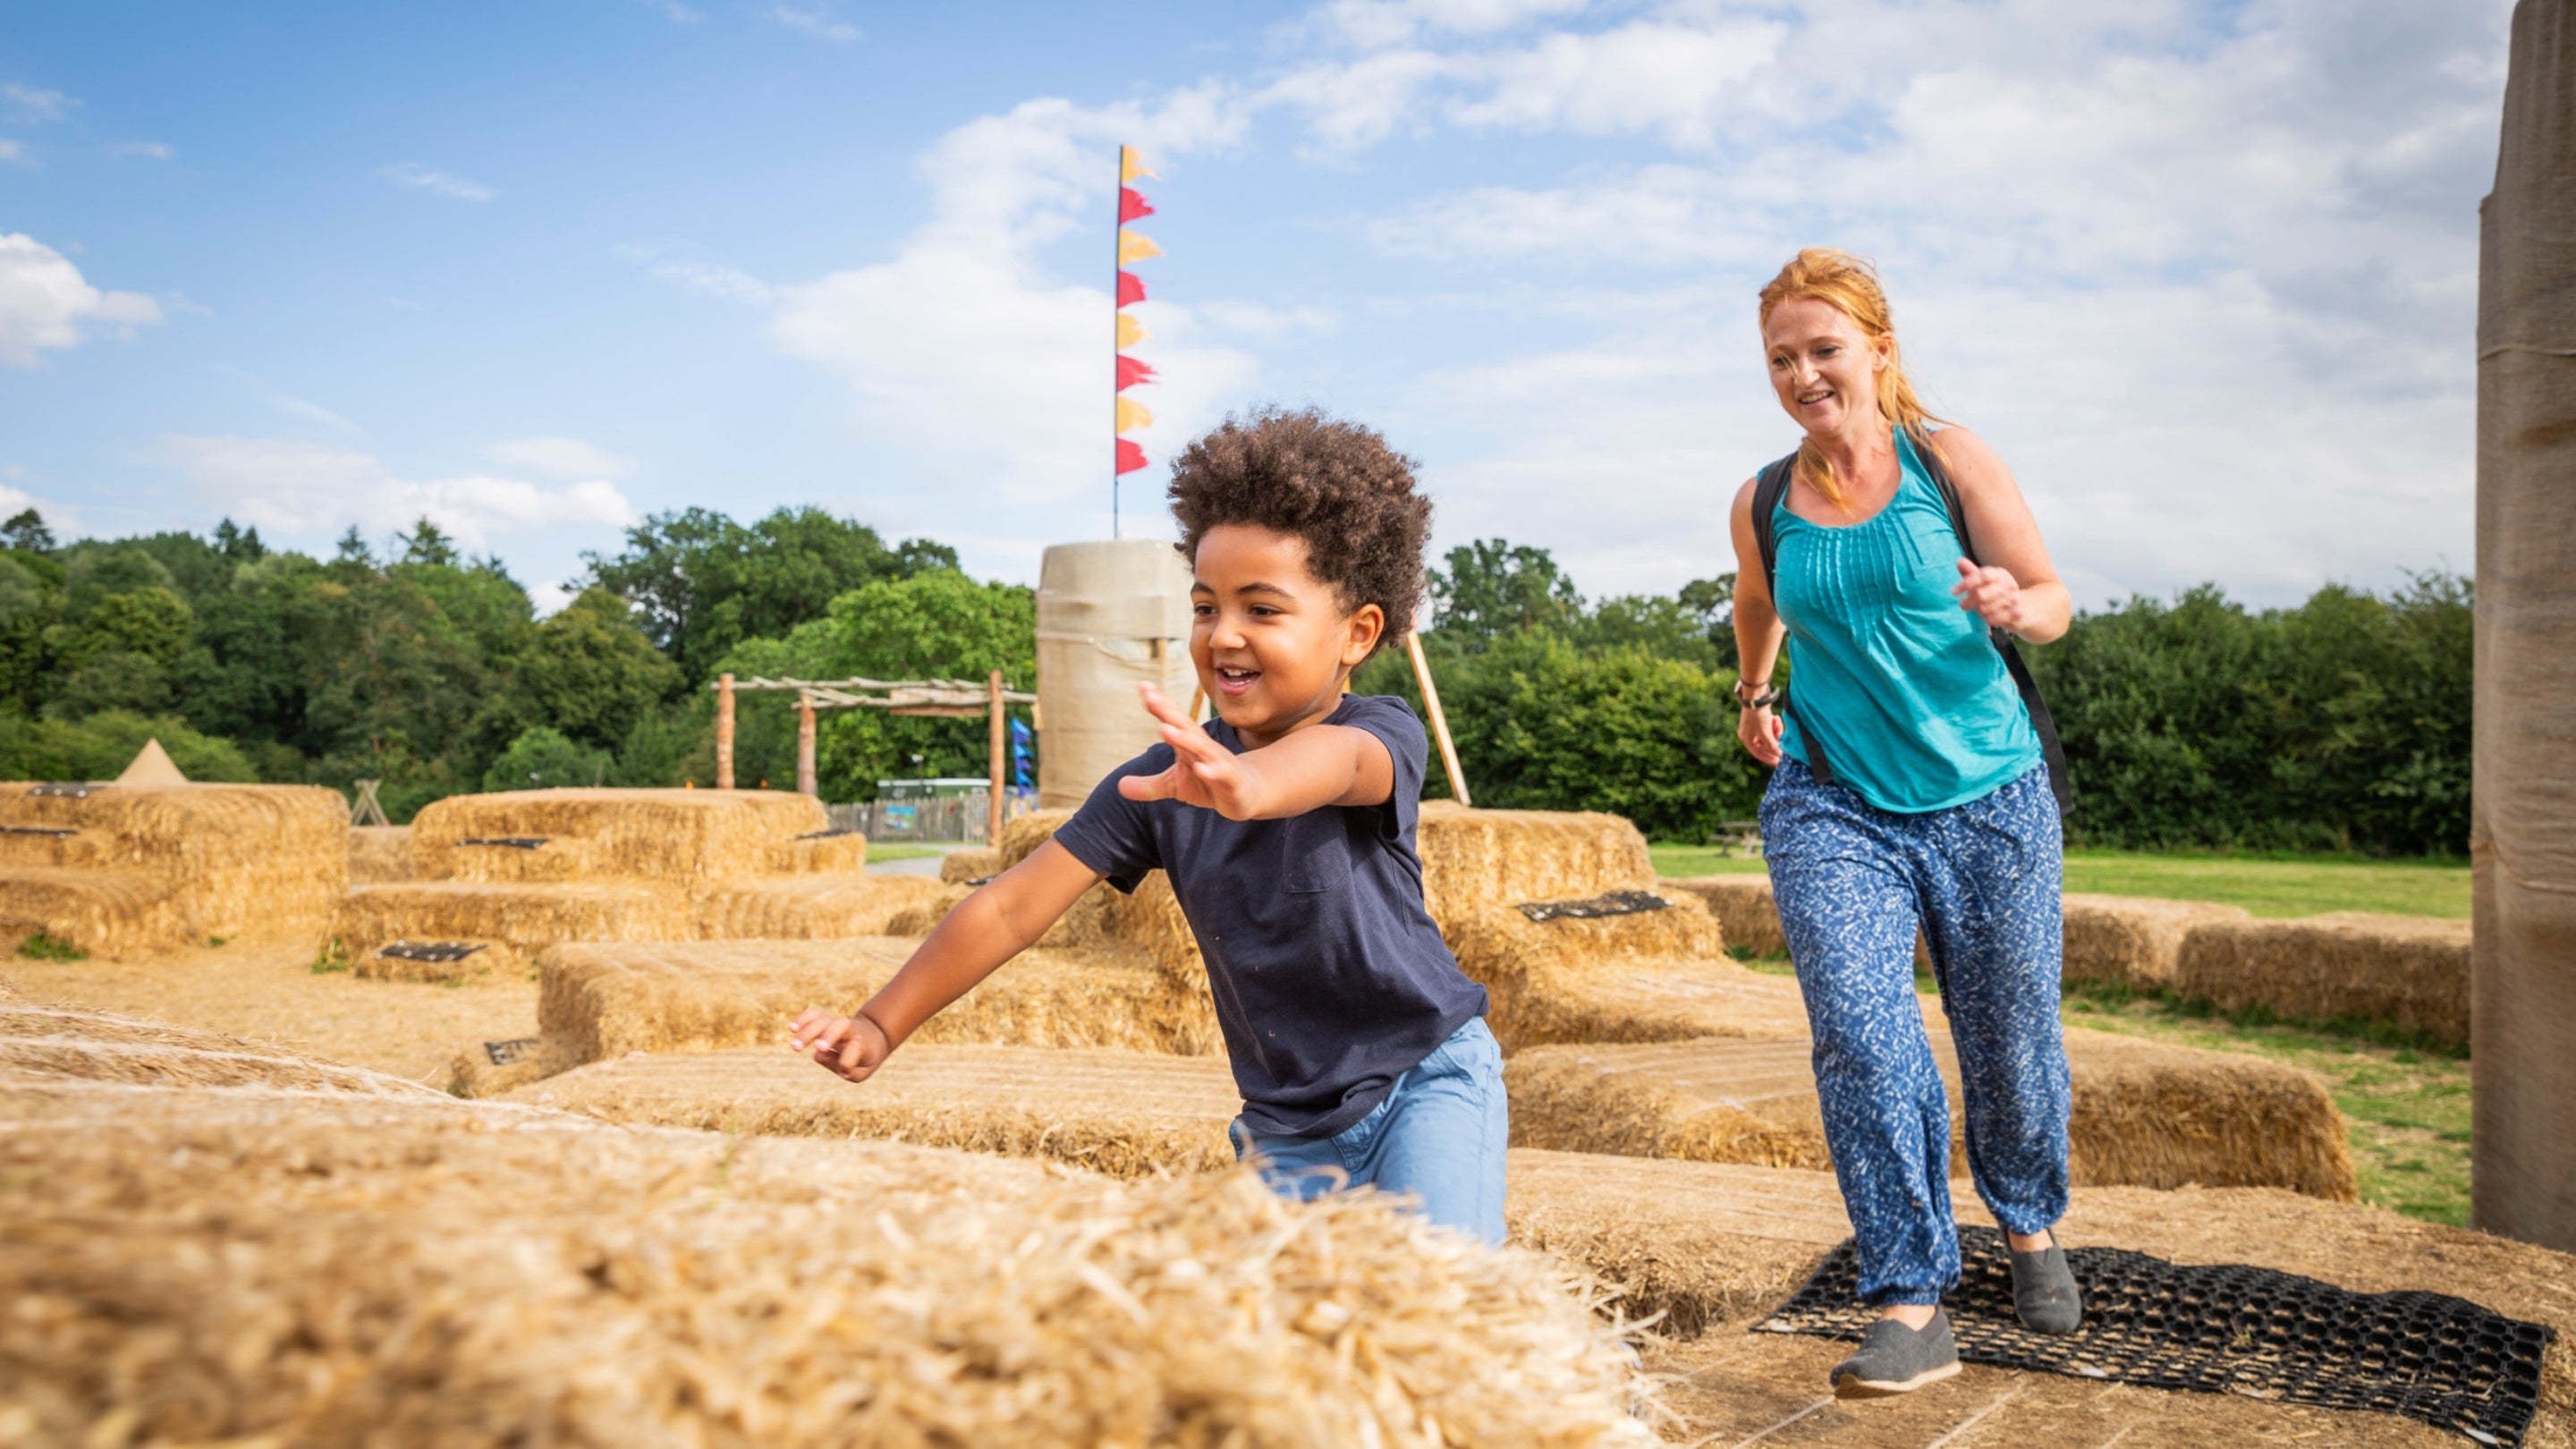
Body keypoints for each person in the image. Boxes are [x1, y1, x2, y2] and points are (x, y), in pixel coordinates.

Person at [789, 406, 1506, 1241]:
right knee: (1291, 1315)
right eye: (1205, 606)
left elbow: (1337, 765)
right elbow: (1010, 908)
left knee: (1445, 1286)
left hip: (1425, 1081)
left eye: (1262, 610)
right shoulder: (1159, 784)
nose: (1224, 634)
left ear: (1357, 633)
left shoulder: (1381, 735)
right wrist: (881, 1022)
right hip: (1288, 1131)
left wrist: (1249, 783)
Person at [1728, 249, 2082, 1398]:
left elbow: (2051, 599)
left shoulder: (1949, 459)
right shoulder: (1764, 500)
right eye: (1782, 359)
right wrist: (1754, 691)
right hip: (1832, 797)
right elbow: (1756, 600)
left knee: (2010, 1035)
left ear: (1878, 351)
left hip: (1989, 793)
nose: (1804, 375)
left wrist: (2013, 602)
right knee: (1862, 1035)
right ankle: (1911, 1301)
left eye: (1824, 350)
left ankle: (2027, 1220)